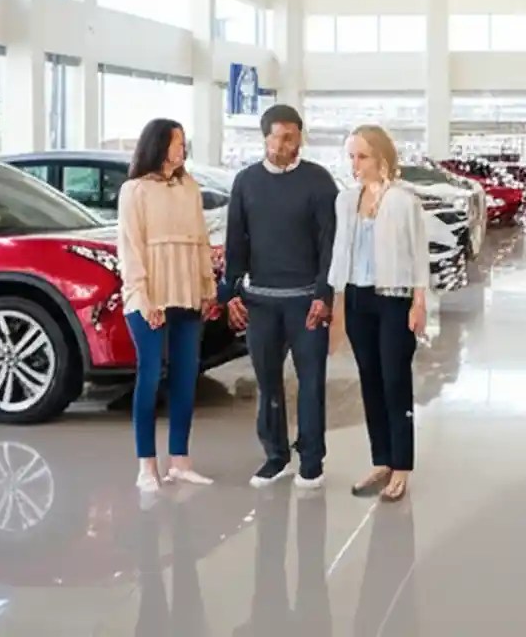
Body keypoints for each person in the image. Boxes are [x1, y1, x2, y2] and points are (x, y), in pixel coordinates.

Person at [223, 105, 339, 490]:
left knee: (311, 382)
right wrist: (230, 293)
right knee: (268, 382)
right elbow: (236, 240)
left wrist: (325, 295)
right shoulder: (246, 182)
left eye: (294, 136)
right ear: (265, 138)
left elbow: (329, 246)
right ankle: (275, 456)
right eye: (280, 136)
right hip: (261, 303)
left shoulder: (319, 182)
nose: (287, 144)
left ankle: (311, 459)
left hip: (307, 302)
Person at [328, 125, 429, 502]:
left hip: (394, 298)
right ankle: (381, 458)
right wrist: (337, 299)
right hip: (358, 298)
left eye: (362, 156)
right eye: (351, 156)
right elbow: (341, 253)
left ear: (382, 157)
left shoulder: (403, 201)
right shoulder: (346, 200)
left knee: (394, 380)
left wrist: (419, 302)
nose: (355, 164)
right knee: (369, 380)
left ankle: (402, 465)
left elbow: (419, 253)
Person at [117, 118, 217, 493]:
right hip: (150, 298)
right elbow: (130, 248)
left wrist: (208, 288)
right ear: (159, 145)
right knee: (148, 377)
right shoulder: (134, 191)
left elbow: (201, 241)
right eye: (177, 142)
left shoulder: (189, 187)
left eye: (184, 142)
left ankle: (180, 461)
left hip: (188, 293)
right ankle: (146, 466)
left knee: (185, 377)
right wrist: (144, 299)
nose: (183, 148)